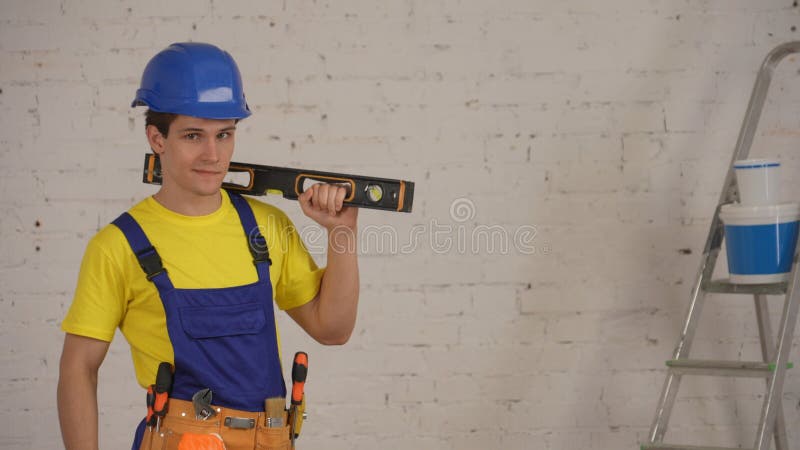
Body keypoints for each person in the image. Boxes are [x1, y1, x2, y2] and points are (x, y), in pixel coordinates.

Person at [56, 42, 360, 450]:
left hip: (269, 439)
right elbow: (79, 368)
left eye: (225, 135)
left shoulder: (266, 227)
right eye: (193, 135)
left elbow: (333, 329)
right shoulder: (118, 246)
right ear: (157, 138)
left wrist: (342, 233)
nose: (213, 155)